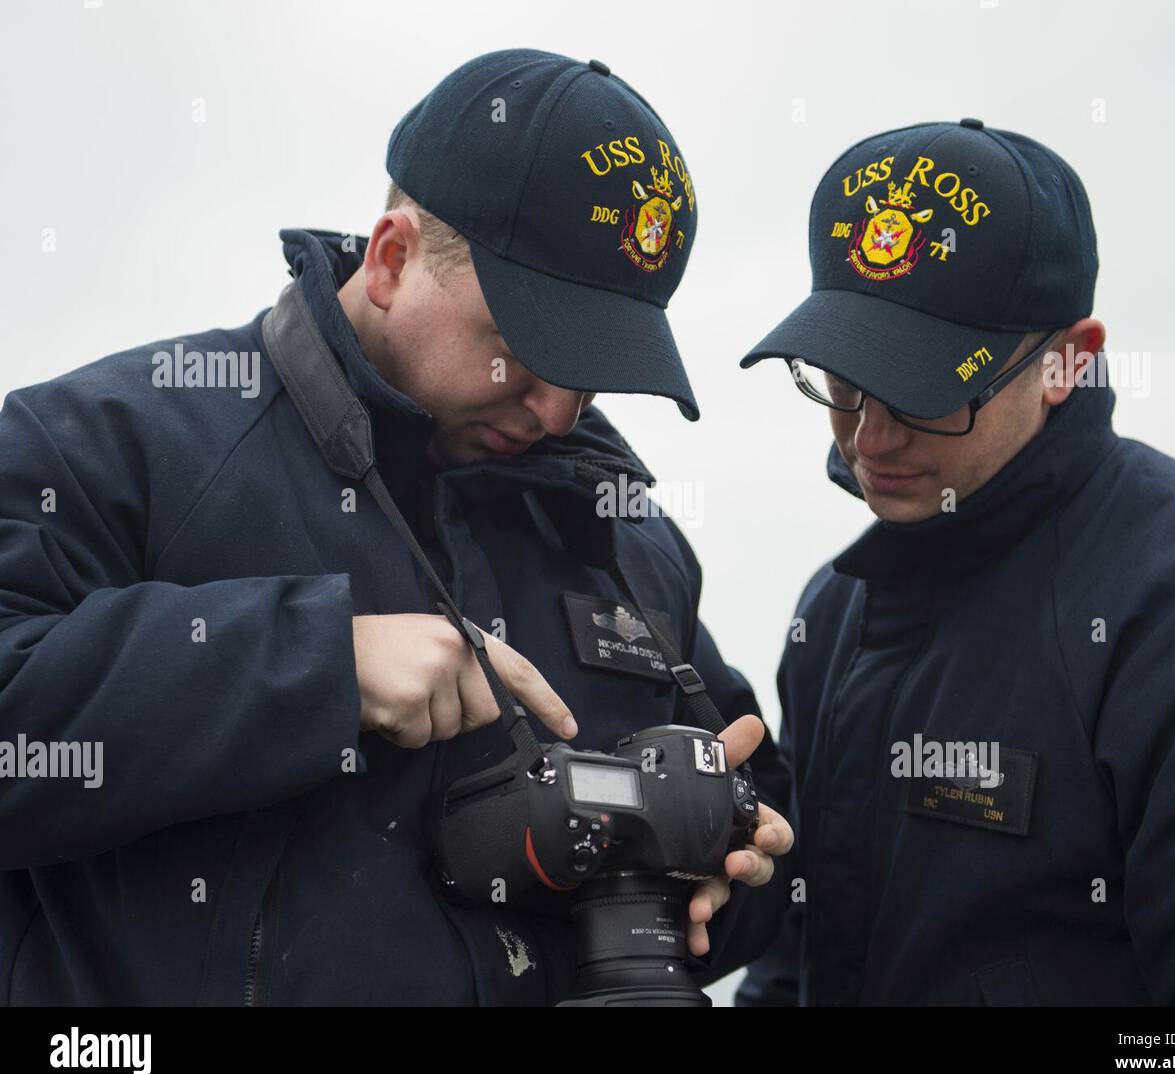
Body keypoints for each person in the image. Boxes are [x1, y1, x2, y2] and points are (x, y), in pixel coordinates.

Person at [0, 48, 792, 1006]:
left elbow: (772, 854)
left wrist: (727, 871)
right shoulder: (115, 442)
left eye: (596, 368)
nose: (556, 409)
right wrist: (316, 662)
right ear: (391, 259)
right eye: (524, 354)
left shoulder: (631, 545)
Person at [735, 119, 1175, 1006]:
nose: (869, 439)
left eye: (929, 395)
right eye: (843, 382)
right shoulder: (836, 613)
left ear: (1068, 361)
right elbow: (798, 952)